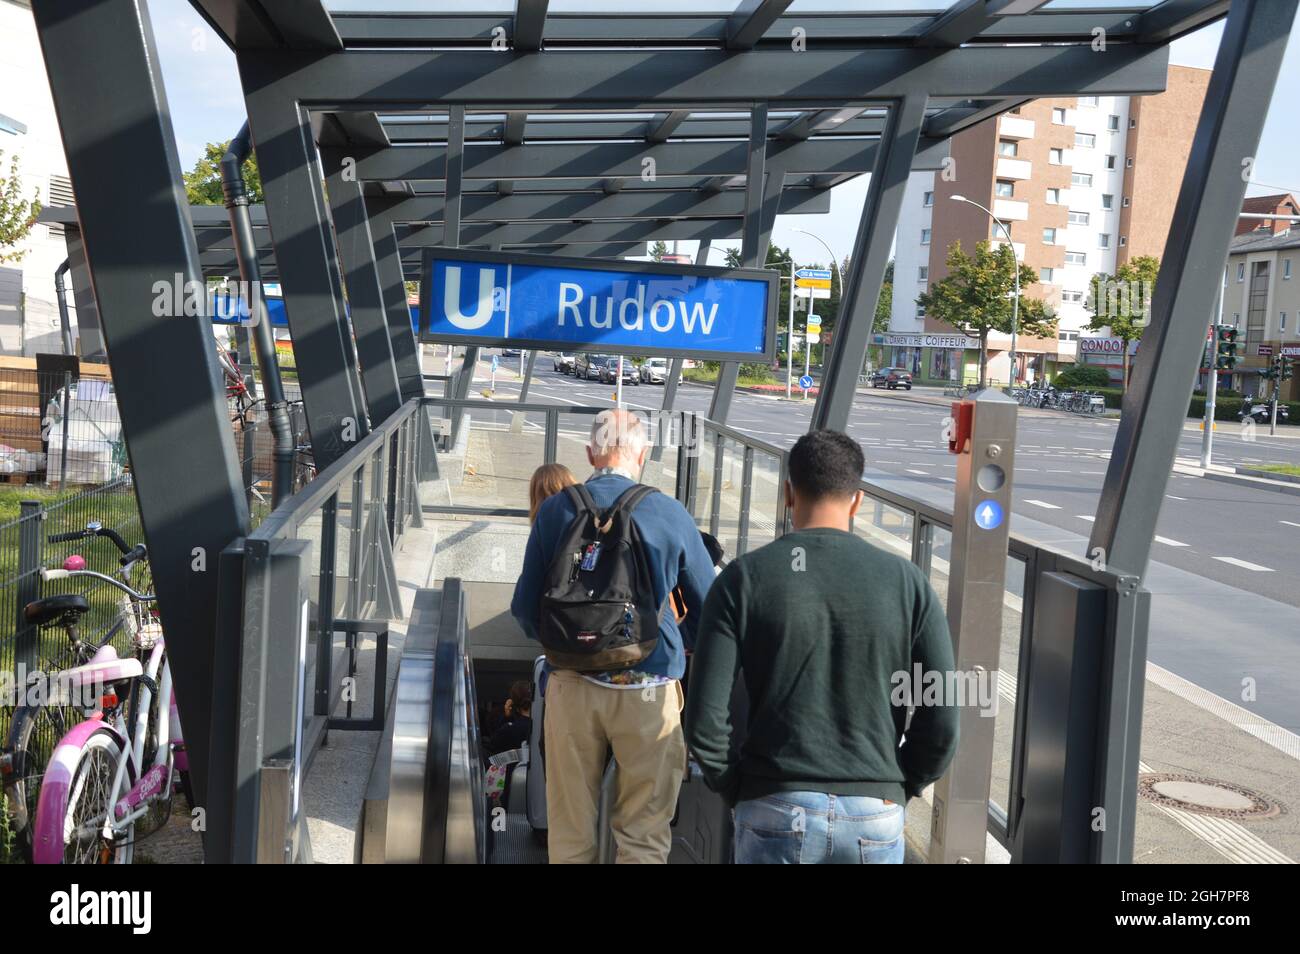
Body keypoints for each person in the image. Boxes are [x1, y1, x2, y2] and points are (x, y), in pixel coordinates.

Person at [684, 429, 959, 864]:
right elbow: (942, 718)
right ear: (858, 499)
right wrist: (896, 787)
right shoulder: (908, 584)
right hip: (875, 812)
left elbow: (703, 719)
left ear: (789, 493)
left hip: (772, 801)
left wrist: (737, 787)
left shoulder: (743, 579)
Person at [511, 409, 716, 864]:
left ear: (590, 453)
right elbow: (713, 607)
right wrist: (677, 642)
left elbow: (525, 610)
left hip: (571, 689)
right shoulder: (668, 511)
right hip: (648, 689)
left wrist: (570, 644)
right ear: (642, 455)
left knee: (569, 836)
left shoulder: (556, 510)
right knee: (643, 838)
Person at [483, 681, 533, 757]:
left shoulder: (509, 729)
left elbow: (493, 746)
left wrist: (506, 717)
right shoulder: (544, 726)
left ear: (513, 702)